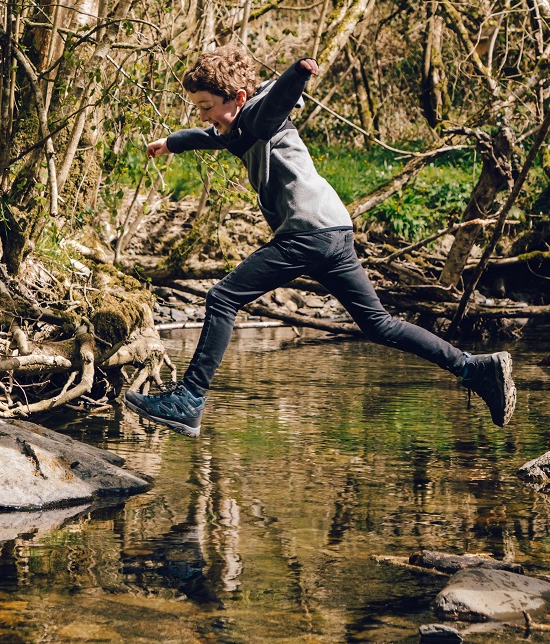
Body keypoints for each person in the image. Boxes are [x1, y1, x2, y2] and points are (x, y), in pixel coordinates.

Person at [123, 44, 515, 437]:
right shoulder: (239, 127)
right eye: (198, 107)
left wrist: (298, 72)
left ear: (238, 98)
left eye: (206, 106)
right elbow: (207, 136)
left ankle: (190, 398)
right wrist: (172, 142)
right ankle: (474, 368)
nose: (203, 115)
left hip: (307, 233)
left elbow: (276, 102)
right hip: (334, 230)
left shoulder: (258, 115)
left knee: (223, 297)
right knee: (379, 324)